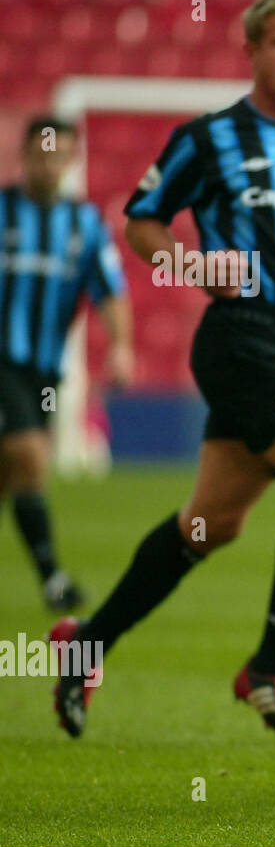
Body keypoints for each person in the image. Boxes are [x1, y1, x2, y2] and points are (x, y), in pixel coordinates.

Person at [50, 0, 275, 741]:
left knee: (212, 523)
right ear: (253, 51)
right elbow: (140, 221)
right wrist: (193, 267)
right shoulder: (210, 137)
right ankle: (270, 664)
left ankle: (86, 641)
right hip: (239, 336)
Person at [1, 117, 133, 610]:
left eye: (59, 155)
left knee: (9, 472)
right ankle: (53, 581)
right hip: (1, 362)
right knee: (31, 458)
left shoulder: (84, 226)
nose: (49, 163)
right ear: (25, 156)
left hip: (44, 370)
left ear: (72, 160)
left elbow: (111, 292)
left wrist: (120, 346)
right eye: (42, 153)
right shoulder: (2, 212)